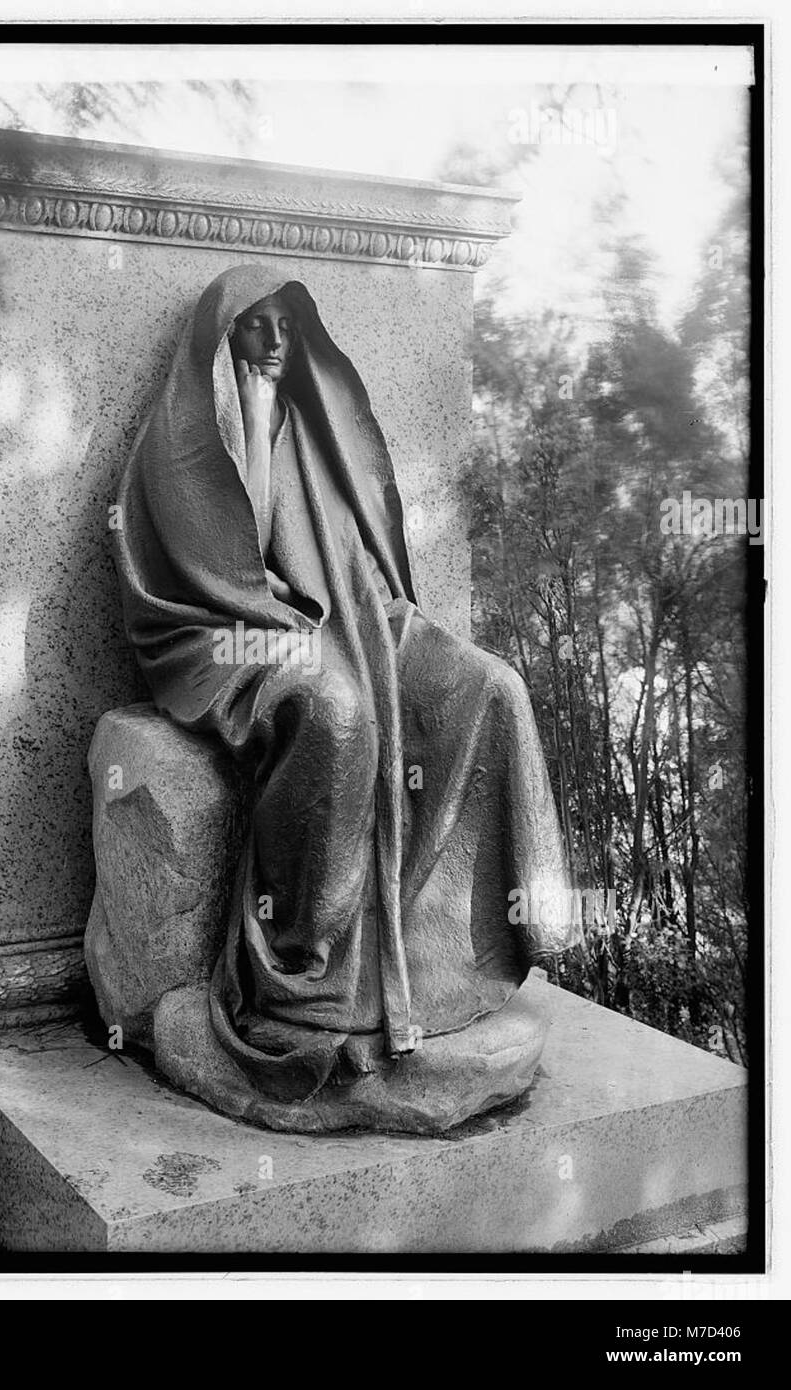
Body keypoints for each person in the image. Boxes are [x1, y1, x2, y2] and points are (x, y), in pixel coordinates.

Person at [114, 263, 579, 1104]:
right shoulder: (181, 438)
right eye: (255, 325)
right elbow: (228, 566)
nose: (274, 341)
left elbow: (359, 558)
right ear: (221, 337)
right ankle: (303, 959)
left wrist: (381, 620)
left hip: (358, 618)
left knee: (491, 685)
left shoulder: (314, 425)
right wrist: (250, 422)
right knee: (334, 711)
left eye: (286, 325)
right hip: (233, 633)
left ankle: (474, 947)